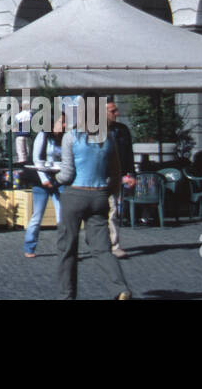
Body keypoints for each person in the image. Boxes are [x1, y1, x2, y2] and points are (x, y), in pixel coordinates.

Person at [55, 117, 132, 300]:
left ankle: (67, 296)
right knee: (102, 248)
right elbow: (116, 173)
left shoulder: (71, 136)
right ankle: (120, 288)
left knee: (67, 248)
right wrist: (108, 194)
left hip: (75, 194)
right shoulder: (109, 137)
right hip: (99, 195)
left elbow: (67, 174)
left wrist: (52, 180)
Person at [25, 113, 66, 258]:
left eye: (65, 122)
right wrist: (44, 180)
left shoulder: (63, 138)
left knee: (62, 215)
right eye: (61, 122)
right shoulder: (42, 136)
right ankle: (30, 247)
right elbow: (37, 160)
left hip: (58, 179)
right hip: (41, 181)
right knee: (37, 215)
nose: (64, 125)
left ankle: (64, 249)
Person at [106, 98, 136, 257]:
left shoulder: (122, 130)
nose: (117, 113)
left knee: (113, 210)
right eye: (112, 111)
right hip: (97, 177)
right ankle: (100, 242)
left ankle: (114, 244)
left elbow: (129, 155)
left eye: (116, 110)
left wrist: (130, 174)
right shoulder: (93, 131)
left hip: (116, 177)